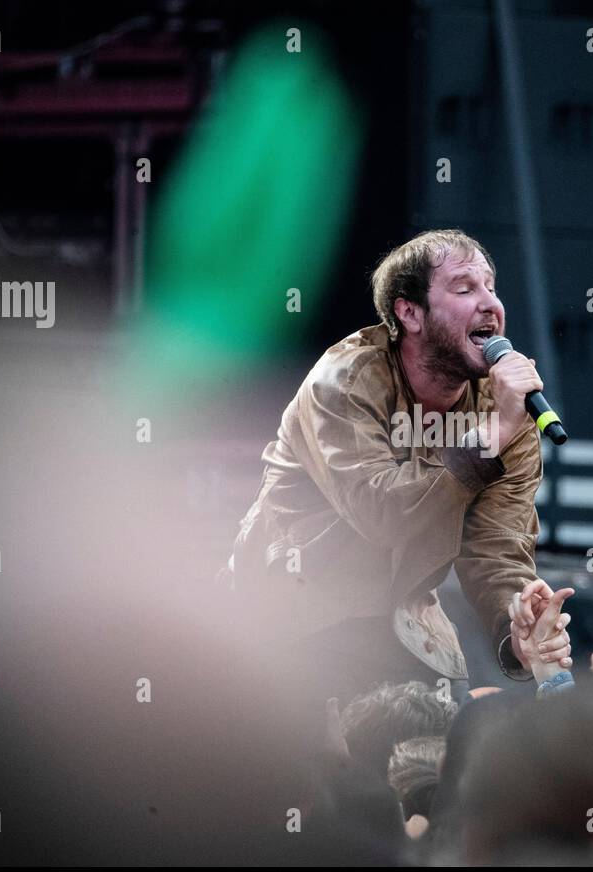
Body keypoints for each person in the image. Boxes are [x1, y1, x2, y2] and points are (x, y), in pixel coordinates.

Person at [227, 229, 572, 706]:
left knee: (439, 754)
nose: (490, 303)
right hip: (296, 614)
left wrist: (516, 628)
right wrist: (490, 438)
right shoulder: (345, 381)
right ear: (409, 312)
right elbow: (382, 514)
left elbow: (496, 549)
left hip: (402, 616)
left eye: (492, 286)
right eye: (465, 288)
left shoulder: (503, 410)